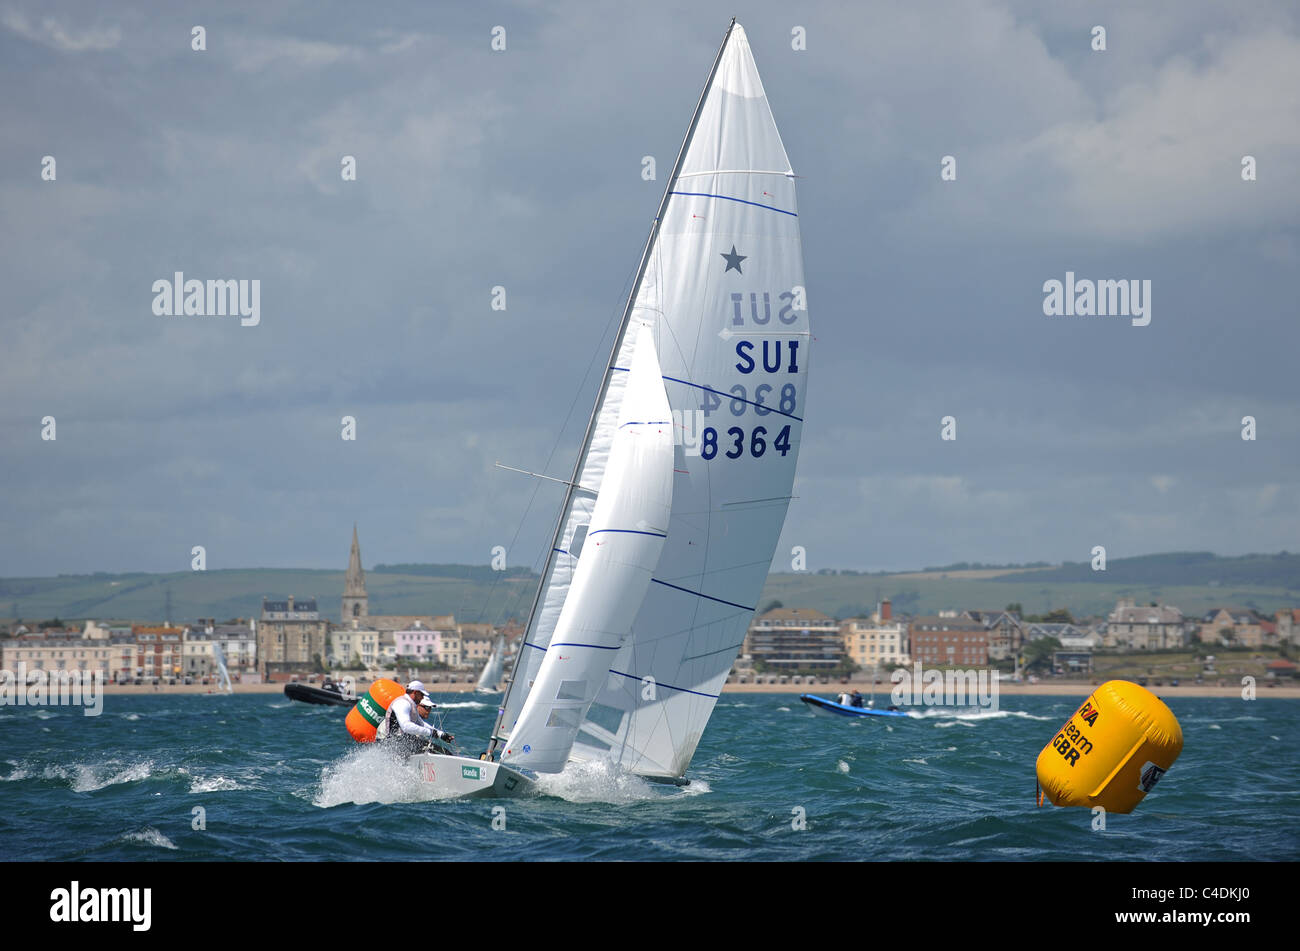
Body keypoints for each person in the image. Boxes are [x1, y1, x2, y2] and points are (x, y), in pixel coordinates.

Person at [377, 681, 452, 755]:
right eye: (422, 694)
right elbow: (406, 726)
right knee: (435, 751)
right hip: (395, 744)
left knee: (444, 751)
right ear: (415, 693)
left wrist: (440, 734)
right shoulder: (402, 703)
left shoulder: (411, 704)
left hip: (405, 741)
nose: (422, 697)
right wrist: (430, 732)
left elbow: (421, 724)